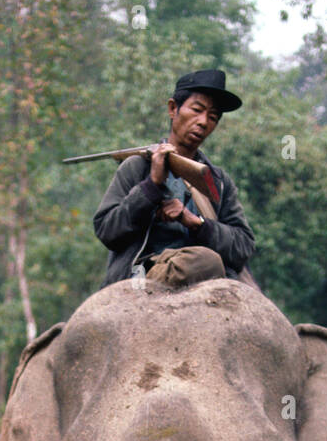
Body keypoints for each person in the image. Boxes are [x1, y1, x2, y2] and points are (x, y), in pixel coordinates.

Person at [93, 68, 257, 289]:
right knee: (206, 261)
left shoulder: (218, 181)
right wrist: (151, 187)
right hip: (144, 272)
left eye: (213, 117)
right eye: (196, 110)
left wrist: (196, 223)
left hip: (205, 277)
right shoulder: (137, 167)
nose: (203, 122)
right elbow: (106, 230)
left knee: (206, 262)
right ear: (173, 109)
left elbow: (244, 246)